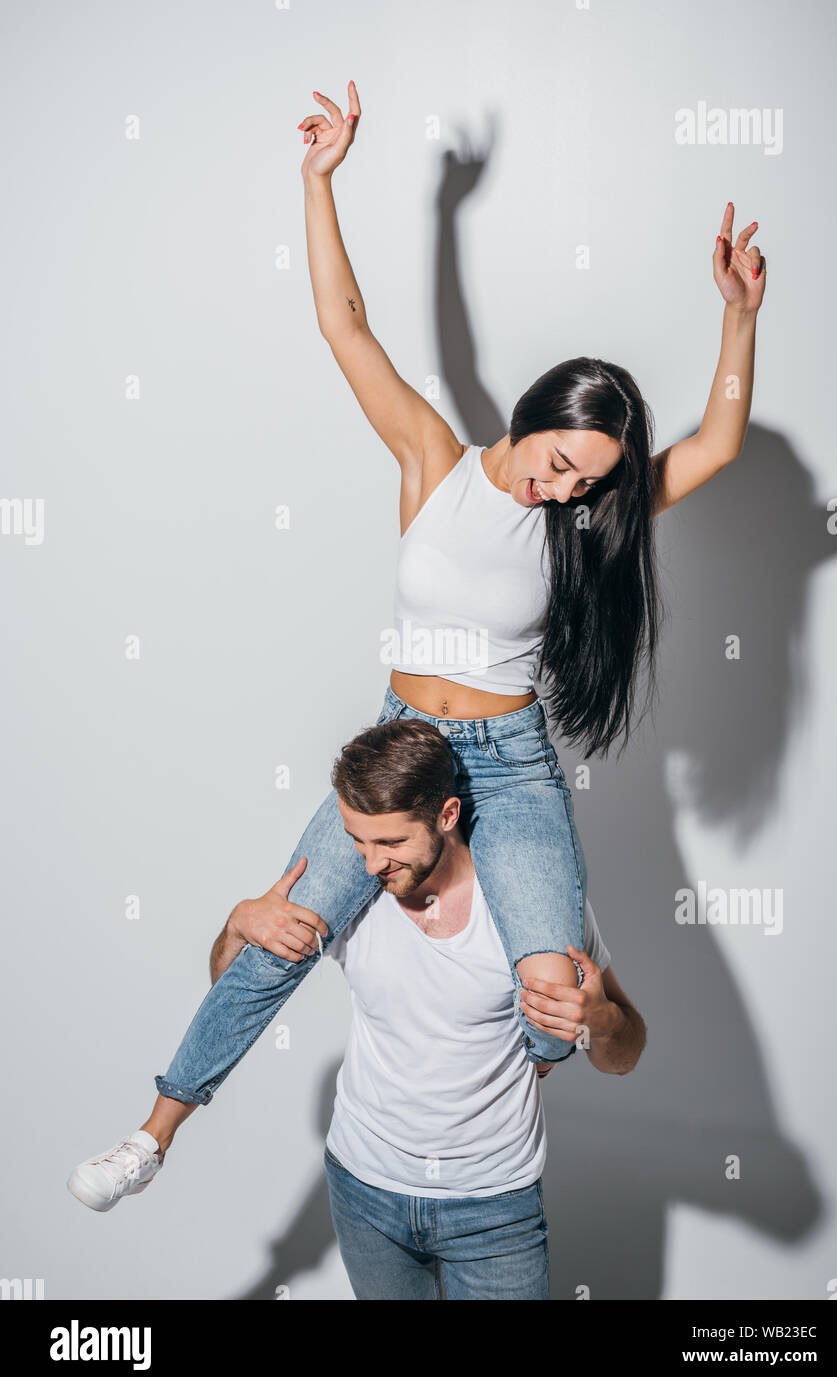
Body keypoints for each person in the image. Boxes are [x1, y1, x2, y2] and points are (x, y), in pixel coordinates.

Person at [69, 78, 766, 1177]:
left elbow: (719, 445)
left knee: (553, 999)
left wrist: (738, 315)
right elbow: (346, 327)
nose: (561, 492)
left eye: (586, 484)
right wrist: (325, 182)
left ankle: (472, 1133)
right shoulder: (435, 463)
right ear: (537, 415)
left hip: (514, 760)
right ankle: (151, 1136)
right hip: (406, 745)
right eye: (558, 462)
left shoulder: (583, 520)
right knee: (277, 936)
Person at [69, 722, 645, 1301]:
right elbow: (237, 990)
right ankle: (150, 1143)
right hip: (364, 1191)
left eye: (390, 844)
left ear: (447, 816)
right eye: (356, 841)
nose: (371, 864)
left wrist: (597, 1022)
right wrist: (236, 927)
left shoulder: (529, 908)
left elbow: (625, 1056)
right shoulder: (362, 893)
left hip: (493, 1205)